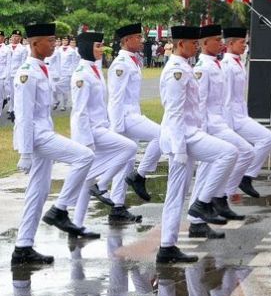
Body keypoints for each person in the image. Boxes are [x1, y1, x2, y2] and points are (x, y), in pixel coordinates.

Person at [12, 21, 96, 266]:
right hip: (37, 135)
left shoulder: (42, 68)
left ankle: (23, 248)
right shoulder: (27, 72)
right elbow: (25, 115)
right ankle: (60, 209)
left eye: (53, 39)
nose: (53, 44)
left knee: (38, 192)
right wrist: (25, 152)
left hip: (42, 131)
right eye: (49, 40)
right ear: (34, 43)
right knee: (84, 156)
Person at [157, 24, 238, 265]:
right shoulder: (176, 71)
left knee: (176, 195)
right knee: (228, 153)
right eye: (192, 43)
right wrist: (180, 149)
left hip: (188, 134)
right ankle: (202, 203)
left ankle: (167, 247)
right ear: (181, 44)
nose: (196, 46)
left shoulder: (184, 67)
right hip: (182, 137)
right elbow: (174, 113)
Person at [69, 31, 138, 230]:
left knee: (88, 178)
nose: (101, 50)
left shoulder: (94, 69)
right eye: (97, 46)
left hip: (100, 128)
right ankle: (102, 184)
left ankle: (76, 225)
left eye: (101, 46)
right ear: (86, 48)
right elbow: (79, 111)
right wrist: (86, 142)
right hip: (90, 132)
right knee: (129, 147)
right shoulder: (82, 73)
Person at [192, 25, 253, 223]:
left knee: (237, 154)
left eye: (221, 39)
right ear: (204, 43)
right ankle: (202, 211)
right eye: (216, 40)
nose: (220, 43)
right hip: (209, 125)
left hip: (219, 122)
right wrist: (202, 132)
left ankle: (213, 202)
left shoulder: (216, 64)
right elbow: (199, 103)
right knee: (210, 168)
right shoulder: (202, 67)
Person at [107, 23, 163, 206]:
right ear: (126, 40)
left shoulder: (132, 60)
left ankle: (117, 207)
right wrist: (116, 128)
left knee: (126, 162)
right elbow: (116, 97)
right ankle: (140, 175)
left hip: (132, 113)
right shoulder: (121, 64)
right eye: (137, 37)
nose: (141, 40)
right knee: (162, 135)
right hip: (125, 116)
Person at [221, 25, 271, 200]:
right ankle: (228, 191)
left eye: (245, 42)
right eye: (241, 42)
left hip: (241, 116)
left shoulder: (239, 62)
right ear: (230, 43)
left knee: (268, 139)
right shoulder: (227, 66)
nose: (245, 45)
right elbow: (226, 99)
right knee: (239, 153)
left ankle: (246, 177)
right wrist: (228, 127)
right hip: (231, 118)